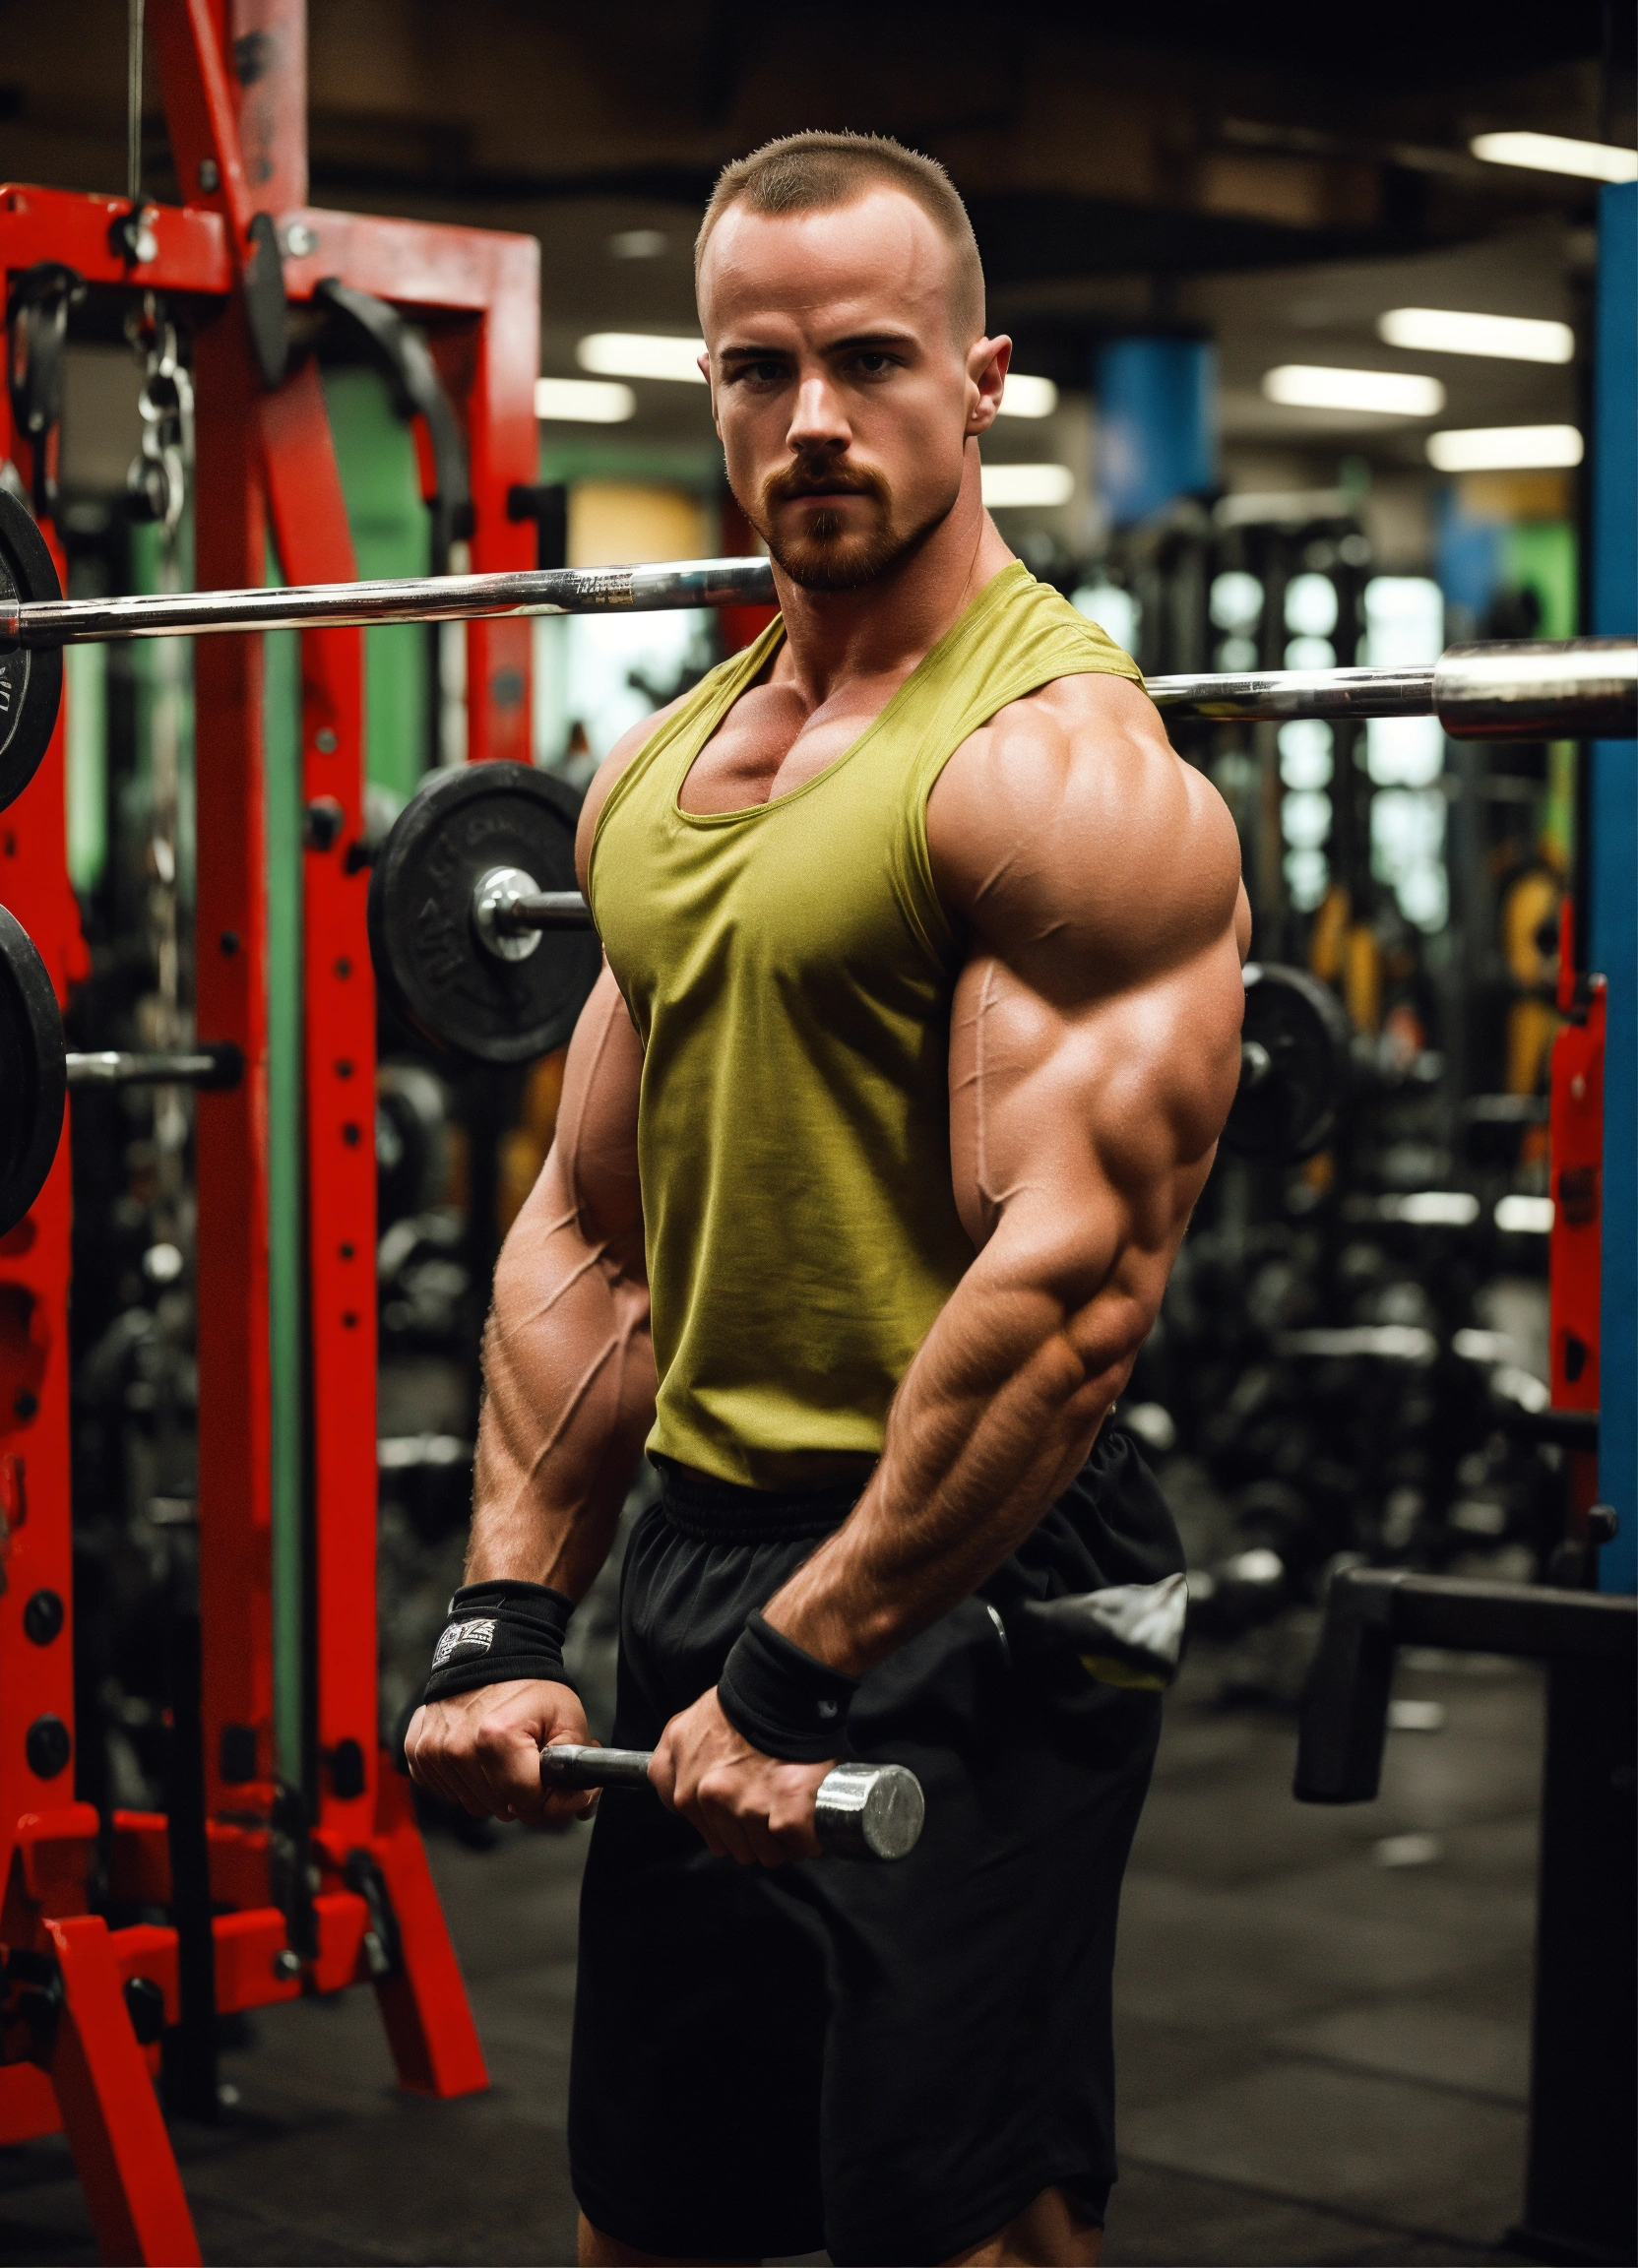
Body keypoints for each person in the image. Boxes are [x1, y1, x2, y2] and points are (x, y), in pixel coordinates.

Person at [407, 128, 1247, 2268]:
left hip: (981, 1570)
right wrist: (516, 1615)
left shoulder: (1061, 770)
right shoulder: (661, 777)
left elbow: (1073, 1286)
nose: (808, 423)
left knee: (945, 2219)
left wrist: (811, 1669)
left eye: (868, 361)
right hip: (707, 1529)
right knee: (660, 2209)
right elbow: (591, 1228)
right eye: (751, 371)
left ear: (982, 380)